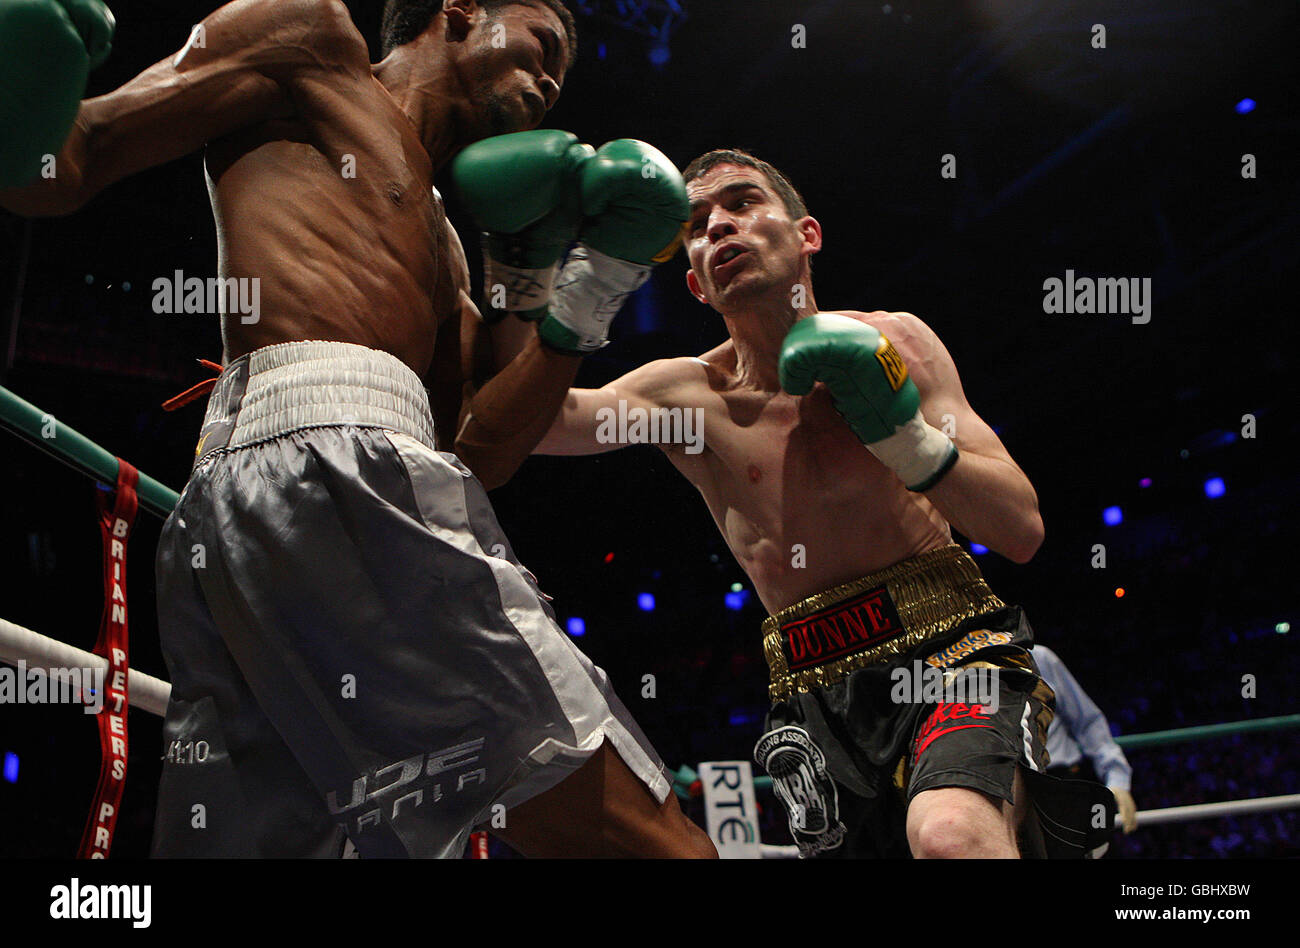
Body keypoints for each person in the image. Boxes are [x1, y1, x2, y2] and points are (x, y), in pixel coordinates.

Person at [1, 0, 715, 858]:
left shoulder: (448, 250)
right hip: (338, 468)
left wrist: (588, 281)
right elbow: (63, 162)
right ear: (460, 8)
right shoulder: (312, 38)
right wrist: (28, 70)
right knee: (653, 842)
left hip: (252, 519)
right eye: (544, 40)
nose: (556, 77)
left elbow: (481, 449)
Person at [532, 148, 1114, 857]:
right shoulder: (682, 399)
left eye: (741, 203)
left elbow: (1019, 527)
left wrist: (908, 442)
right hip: (812, 693)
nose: (718, 226)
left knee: (952, 837)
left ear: (807, 234)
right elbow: (528, 425)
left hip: (954, 650)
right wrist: (545, 267)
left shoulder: (895, 342)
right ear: (694, 285)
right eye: (697, 223)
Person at [1033, 644, 1138, 834]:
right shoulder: (966, 669)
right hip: (1003, 794)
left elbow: (1088, 722)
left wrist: (1117, 779)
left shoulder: (1038, 658)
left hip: (1061, 785)